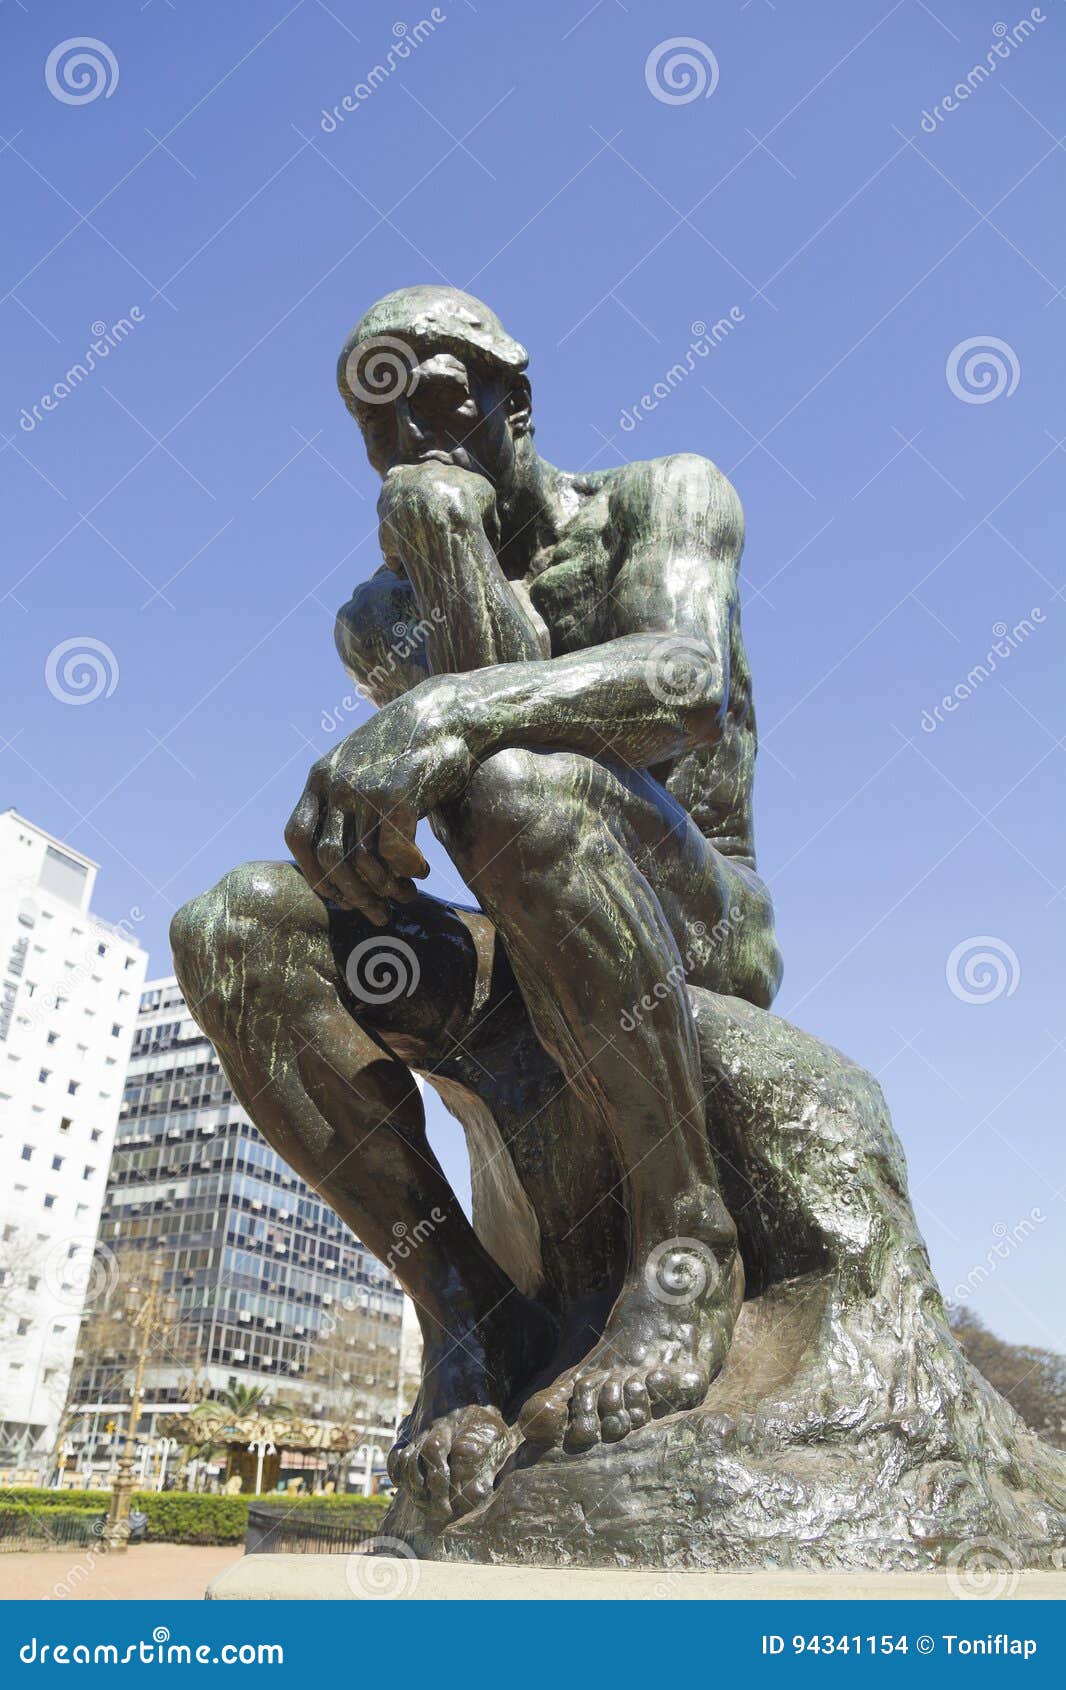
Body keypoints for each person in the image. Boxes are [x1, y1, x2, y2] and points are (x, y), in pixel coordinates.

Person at [172, 286, 781, 1519]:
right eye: (379, 422)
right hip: (526, 914)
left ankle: (685, 1239)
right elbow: (449, 808)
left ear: (517, 398)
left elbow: (681, 685)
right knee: (229, 924)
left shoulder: (662, 496)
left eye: (441, 400)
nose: (414, 443)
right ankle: (467, 1320)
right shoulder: (378, 614)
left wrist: (441, 711)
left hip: (698, 917)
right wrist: (359, 849)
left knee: (512, 782)